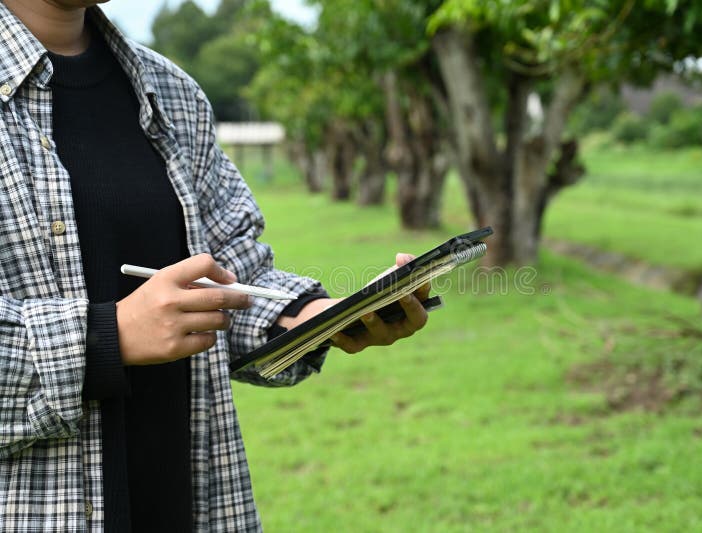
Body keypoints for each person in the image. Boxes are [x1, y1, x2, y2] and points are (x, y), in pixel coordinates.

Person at [0, 1, 429, 531]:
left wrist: (316, 316)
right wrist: (106, 338)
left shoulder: (170, 93)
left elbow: (233, 269)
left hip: (187, 501)